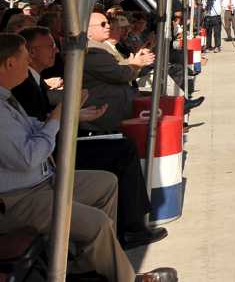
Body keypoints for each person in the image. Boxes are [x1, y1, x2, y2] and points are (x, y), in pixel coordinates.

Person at [0, 33, 178, 282]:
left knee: (105, 183)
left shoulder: (7, 98)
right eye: (23, 56)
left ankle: (91, 265)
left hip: (40, 181)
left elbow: (32, 128)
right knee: (97, 223)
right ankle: (124, 277)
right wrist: (56, 119)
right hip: (18, 199)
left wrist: (67, 116)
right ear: (9, 63)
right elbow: (29, 156)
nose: (28, 60)